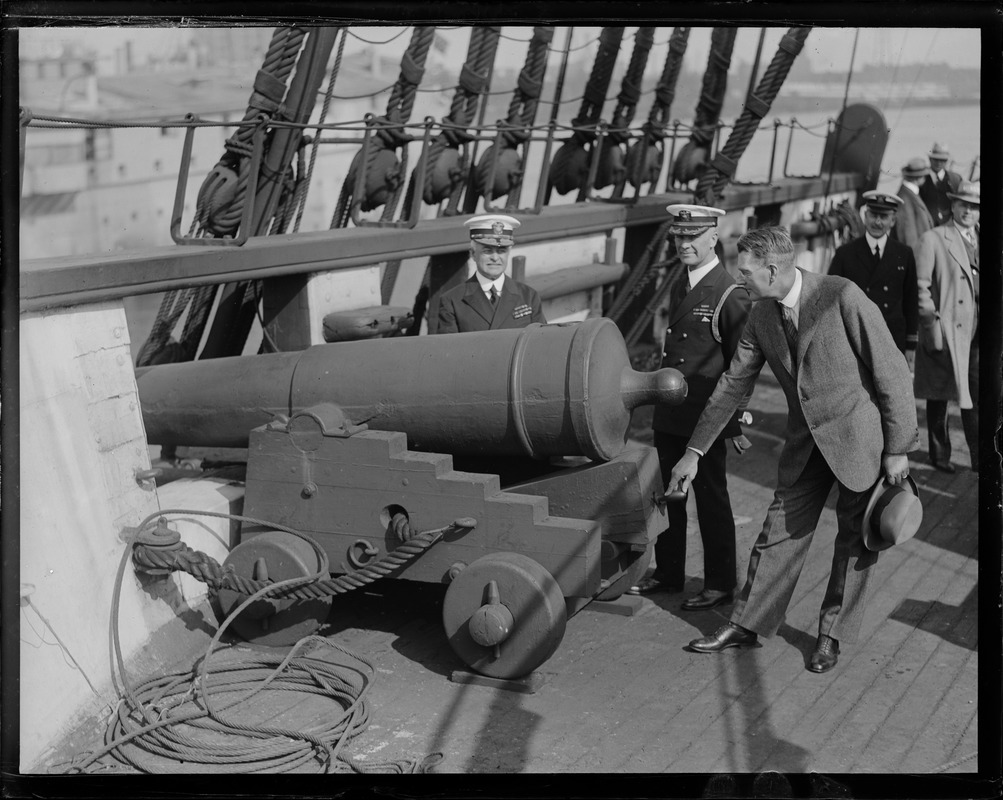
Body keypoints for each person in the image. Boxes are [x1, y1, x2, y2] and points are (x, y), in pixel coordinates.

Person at [668, 226, 918, 673]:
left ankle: (831, 634)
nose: (740, 279)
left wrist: (898, 447)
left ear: (772, 269)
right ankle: (747, 624)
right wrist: (694, 452)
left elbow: (892, 370)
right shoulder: (761, 313)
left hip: (859, 440)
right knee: (778, 531)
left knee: (855, 542)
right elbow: (731, 386)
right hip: (806, 444)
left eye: (745, 272)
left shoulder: (842, 295)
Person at [627, 204, 752, 611]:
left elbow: (742, 366)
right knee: (669, 495)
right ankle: (669, 573)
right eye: (679, 237)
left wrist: (732, 423)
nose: (683, 244)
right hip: (672, 412)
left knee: (712, 499)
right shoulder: (683, 283)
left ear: (712, 238)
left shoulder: (729, 293)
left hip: (706, 419)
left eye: (692, 237)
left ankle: (720, 583)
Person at [913, 181, 980, 474]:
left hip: (978, 333)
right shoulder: (934, 239)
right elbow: (921, 288)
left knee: (977, 395)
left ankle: (980, 459)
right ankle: (939, 455)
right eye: (963, 204)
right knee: (940, 394)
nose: (968, 210)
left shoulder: (981, 238)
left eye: (975, 207)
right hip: (947, 329)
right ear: (952, 206)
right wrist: (932, 326)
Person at [828, 190, 918, 366]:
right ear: (865, 216)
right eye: (873, 215)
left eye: (884, 216)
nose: (877, 222)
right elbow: (830, 299)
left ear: (893, 220)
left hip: (891, 337)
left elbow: (911, 300)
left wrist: (911, 344)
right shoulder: (845, 253)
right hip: (854, 336)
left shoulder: (904, 254)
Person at [434, 214, 546, 334]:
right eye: (487, 251)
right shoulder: (452, 301)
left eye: (501, 251)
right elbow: (449, 350)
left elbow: (542, 343)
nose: (495, 258)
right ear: (473, 254)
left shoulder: (528, 296)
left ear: (508, 253)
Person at [894, 157, 935, 256]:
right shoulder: (904, 199)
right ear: (918, 178)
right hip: (916, 255)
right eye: (924, 176)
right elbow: (908, 235)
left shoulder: (910, 193)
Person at [919, 143, 963, 227]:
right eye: (935, 159)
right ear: (930, 159)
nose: (938, 163)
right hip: (926, 225)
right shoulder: (921, 178)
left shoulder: (955, 179)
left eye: (942, 160)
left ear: (947, 161)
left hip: (948, 226)